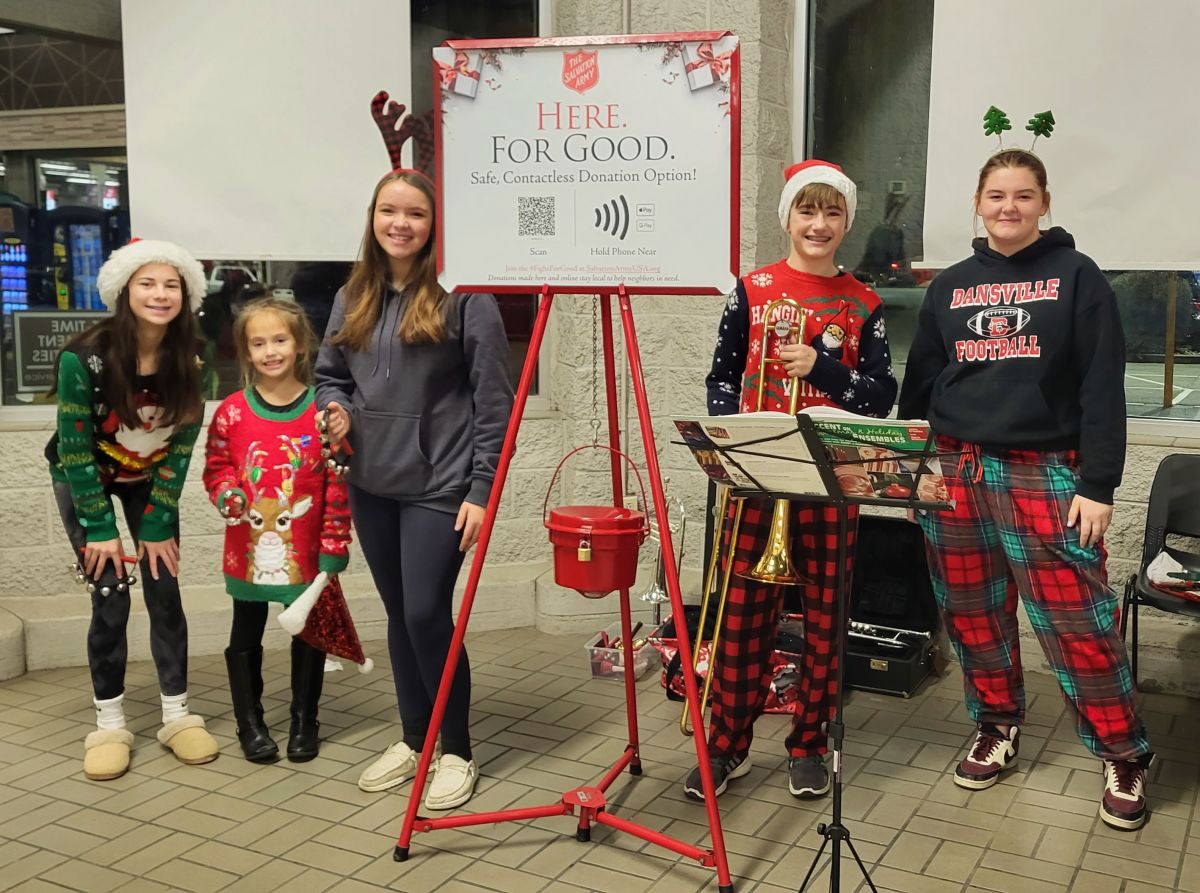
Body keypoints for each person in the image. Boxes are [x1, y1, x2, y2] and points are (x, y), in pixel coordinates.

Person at [897, 148, 1153, 831]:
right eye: (997, 194)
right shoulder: (947, 287)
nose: (1009, 206)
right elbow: (920, 386)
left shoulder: (1078, 278)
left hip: (1044, 470)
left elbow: (1103, 385)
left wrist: (1098, 483)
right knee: (973, 615)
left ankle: (1123, 753)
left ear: (1044, 202)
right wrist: (907, 465)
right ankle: (996, 722)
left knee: (1079, 622)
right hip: (952, 469)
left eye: (1023, 195)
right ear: (977, 203)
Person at [693, 160, 897, 800]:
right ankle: (726, 745)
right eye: (807, 211)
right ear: (788, 217)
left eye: (832, 212)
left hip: (831, 487)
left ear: (846, 222)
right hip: (759, 484)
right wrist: (736, 441)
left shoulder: (864, 302)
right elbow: (721, 378)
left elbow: (881, 399)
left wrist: (823, 368)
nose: (819, 223)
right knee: (741, 621)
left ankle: (810, 744)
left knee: (825, 622)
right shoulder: (750, 289)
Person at [315, 169, 513, 810]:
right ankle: (413, 736)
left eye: (416, 214)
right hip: (373, 483)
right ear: (373, 219)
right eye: (388, 211)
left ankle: (454, 749)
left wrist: (483, 488)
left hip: (443, 483)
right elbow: (329, 376)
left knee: (428, 611)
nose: (400, 223)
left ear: (436, 223)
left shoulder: (465, 295)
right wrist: (335, 409)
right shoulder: (354, 294)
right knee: (400, 614)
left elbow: (494, 401)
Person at [47, 239, 219, 781]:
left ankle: (176, 714)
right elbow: (75, 448)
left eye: (172, 284)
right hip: (87, 476)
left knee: (164, 589)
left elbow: (183, 444)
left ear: (187, 294)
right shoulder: (84, 357)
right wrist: (100, 530)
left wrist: (158, 521)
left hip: (150, 477)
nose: (160, 294)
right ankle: (109, 722)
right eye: (147, 283)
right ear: (125, 290)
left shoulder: (195, 356)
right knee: (110, 596)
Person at [202, 296, 351, 764]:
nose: (270, 351)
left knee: (308, 634)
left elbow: (336, 486)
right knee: (245, 632)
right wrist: (227, 493)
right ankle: (251, 723)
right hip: (248, 550)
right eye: (258, 342)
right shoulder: (231, 412)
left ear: (301, 345)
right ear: (246, 352)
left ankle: (306, 720)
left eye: (280, 340)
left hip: (306, 553)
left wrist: (333, 549)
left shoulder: (323, 415)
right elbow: (217, 466)